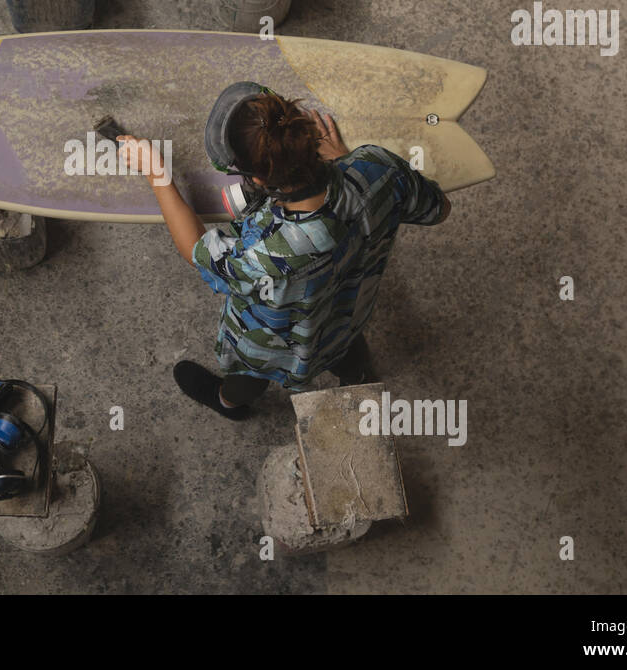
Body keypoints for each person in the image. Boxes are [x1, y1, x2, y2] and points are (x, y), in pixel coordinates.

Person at [117, 82, 450, 420]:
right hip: (347, 314)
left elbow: (197, 252)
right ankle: (358, 380)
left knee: (251, 373)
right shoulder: (378, 166)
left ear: (259, 181)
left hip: (275, 345)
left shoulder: (265, 250)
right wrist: (351, 162)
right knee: (344, 347)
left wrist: (156, 174)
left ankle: (228, 403)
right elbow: (439, 209)